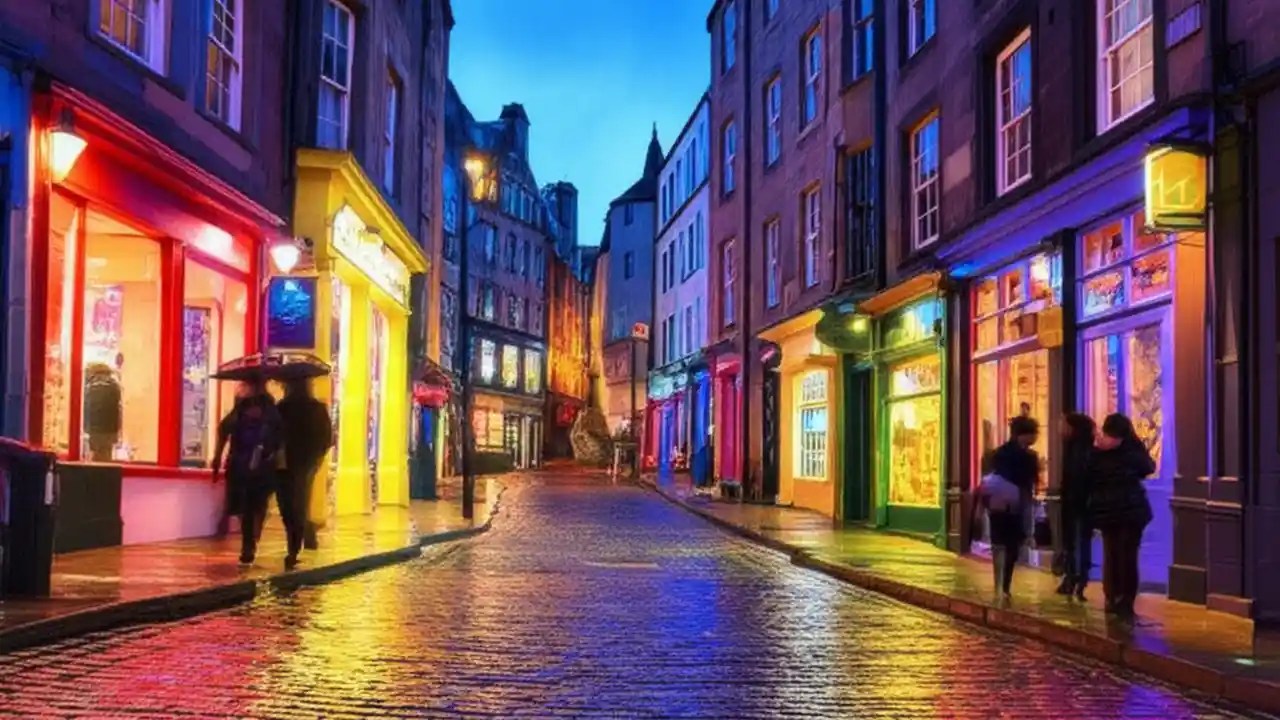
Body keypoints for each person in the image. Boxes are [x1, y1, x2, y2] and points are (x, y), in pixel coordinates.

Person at [1088, 413, 1156, 620]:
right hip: (1112, 510)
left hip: (1129, 510)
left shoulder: (1130, 451)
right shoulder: (1099, 453)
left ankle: (1124, 599)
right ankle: (1114, 597)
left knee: (1125, 555)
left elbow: (1147, 468)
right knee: (1114, 554)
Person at [212, 376, 282, 565]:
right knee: (252, 506)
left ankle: (249, 542)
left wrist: (218, 458)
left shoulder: (255, 409)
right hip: (251, 465)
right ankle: (249, 542)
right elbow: (224, 429)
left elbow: (223, 430)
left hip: (250, 465)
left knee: (250, 506)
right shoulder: (264, 409)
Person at [980, 416, 1040, 600]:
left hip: (998, 505)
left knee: (1000, 544)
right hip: (1014, 504)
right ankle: (1004, 585)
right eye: (1031, 434)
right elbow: (1029, 481)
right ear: (1022, 435)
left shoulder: (999, 454)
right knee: (1010, 545)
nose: (1034, 438)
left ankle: (1001, 584)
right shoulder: (1026, 456)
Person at [276, 376, 333, 569]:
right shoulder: (316, 408)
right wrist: (318, 457)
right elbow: (328, 437)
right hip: (306, 461)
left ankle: (294, 543)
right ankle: (297, 542)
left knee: (287, 503)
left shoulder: (282, 408)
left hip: (288, 462)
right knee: (299, 500)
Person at [1057, 413, 1097, 600]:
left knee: (1077, 542)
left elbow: (1079, 480)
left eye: (1063, 424)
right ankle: (1075, 578)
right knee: (1077, 542)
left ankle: (1076, 578)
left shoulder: (1080, 452)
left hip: (1078, 505)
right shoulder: (1074, 449)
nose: (1060, 427)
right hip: (1076, 504)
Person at [84, 362, 122, 461]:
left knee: (95, 453)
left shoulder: (90, 386)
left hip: (94, 428)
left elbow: (87, 407)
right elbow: (117, 407)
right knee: (107, 453)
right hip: (110, 428)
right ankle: (105, 472)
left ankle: (96, 473)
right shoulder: (114, 386)